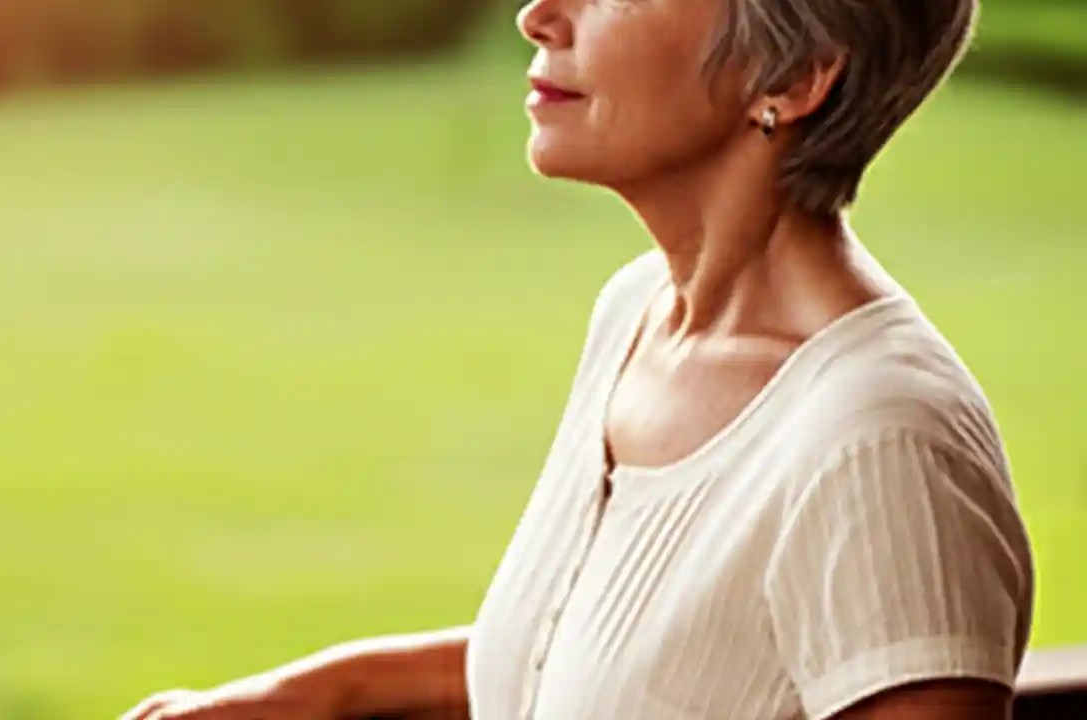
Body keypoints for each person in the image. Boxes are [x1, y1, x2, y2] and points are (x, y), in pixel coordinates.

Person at [121, 0, 1035, 717]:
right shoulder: (639, 311)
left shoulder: (882, 442)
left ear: (792, 76)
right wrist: (317, 695)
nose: (539, 12)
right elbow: (621, 671)